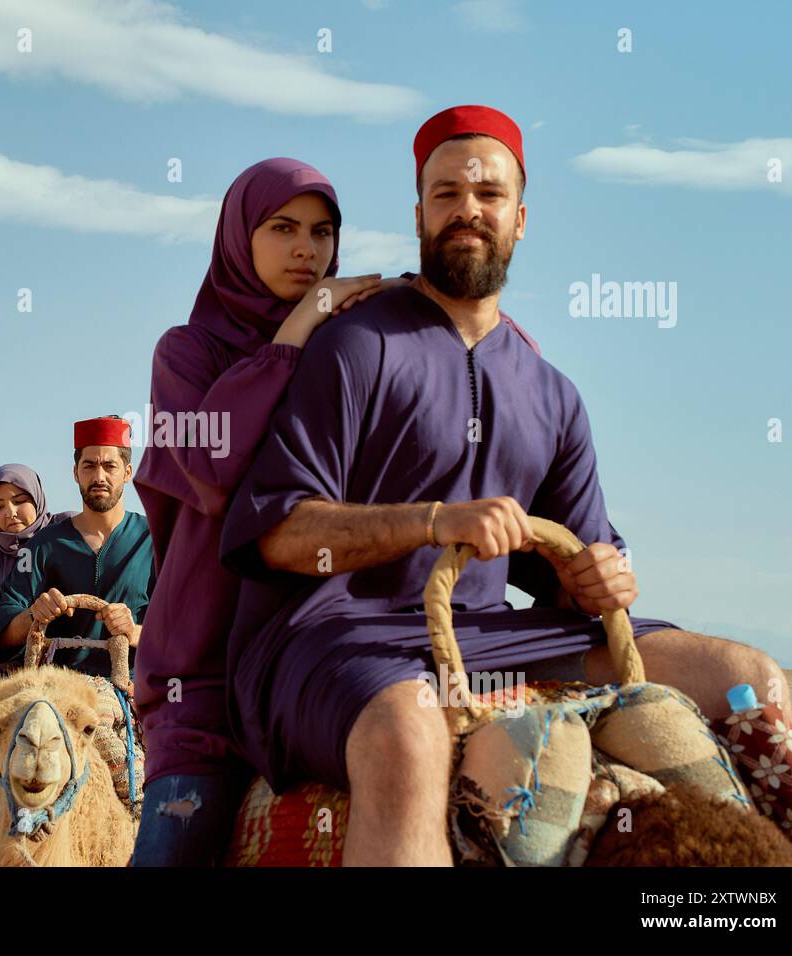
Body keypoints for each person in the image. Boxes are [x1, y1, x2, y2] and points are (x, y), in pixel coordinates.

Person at [218, 105, 792, 866]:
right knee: (409, 726)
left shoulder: (552, 392)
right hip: (330, 640)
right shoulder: (352, 345)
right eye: (446, 193)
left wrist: (600, 574)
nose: (467, 210)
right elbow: (284, 531)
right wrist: (433, 522)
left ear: (519, 219)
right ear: (420, 212)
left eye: (488, 196)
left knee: (745, 676)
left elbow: (578, 568)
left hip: (495, 637)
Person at [129, 157, 542, 866]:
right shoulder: (187, 353)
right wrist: (295, 332)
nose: (306, 250)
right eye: (282, 229)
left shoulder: (349, 346)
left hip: (326, 647)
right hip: (203, 671)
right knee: (178, 846)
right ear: (238, 237)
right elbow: (211, 472)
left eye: (322, 233)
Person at [0, 418, 154, 865]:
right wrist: (34, 613)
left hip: (129, 683)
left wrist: (136, 632)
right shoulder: (44, 544)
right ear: (75, 473)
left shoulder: (154, 540)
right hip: (50, 682)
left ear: (128, 471)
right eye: (89, 465)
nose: (99, 475)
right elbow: (0, 624)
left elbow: (185, 628)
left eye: (110, 465)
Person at [0, 464, 75, 691]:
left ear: (37, 499)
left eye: (20, 500)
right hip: (6, 684)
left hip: (72, 678)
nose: (10, 512)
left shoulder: (67, 534)